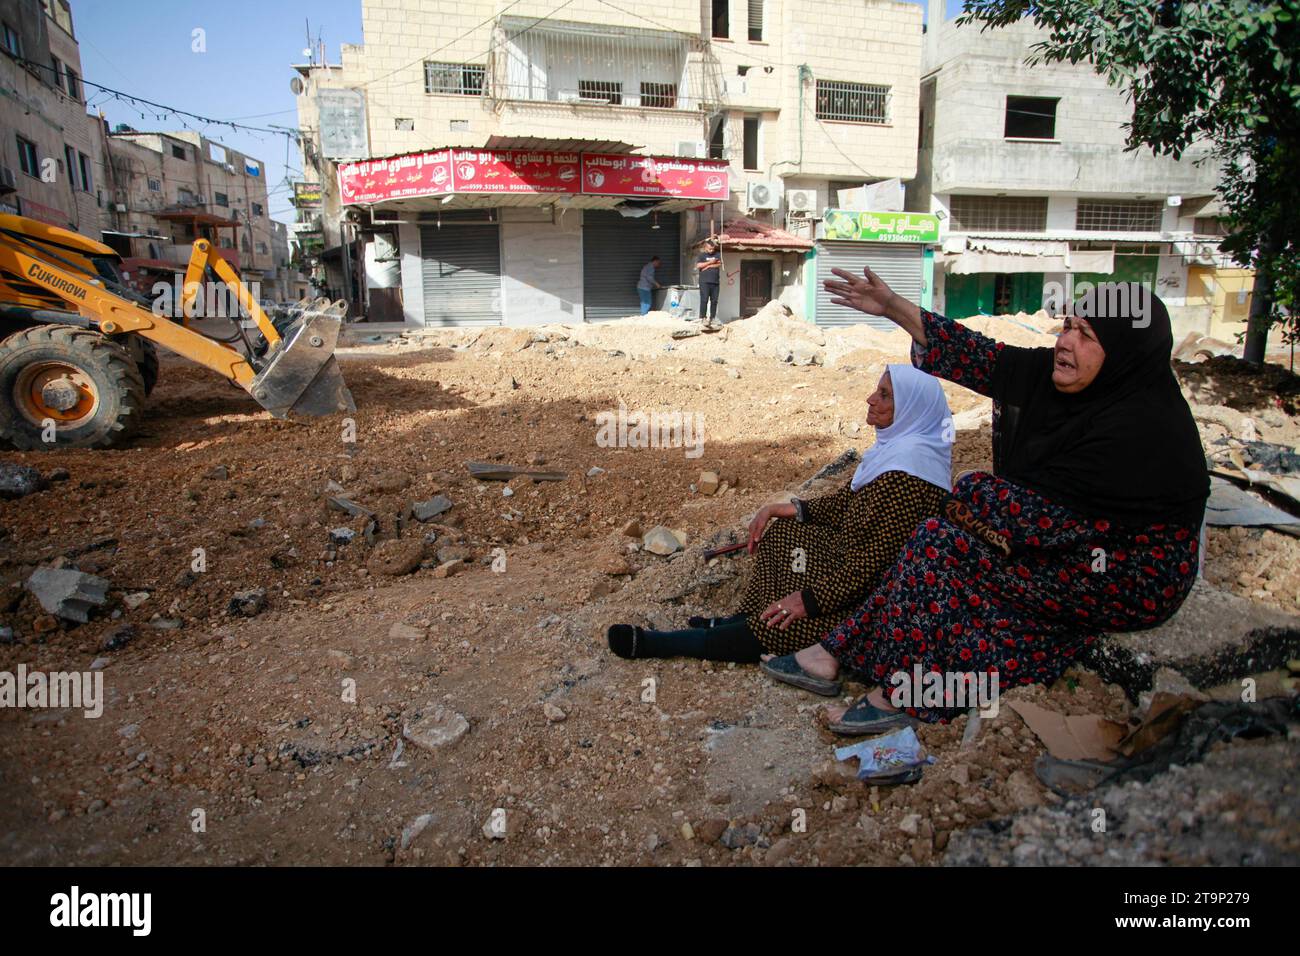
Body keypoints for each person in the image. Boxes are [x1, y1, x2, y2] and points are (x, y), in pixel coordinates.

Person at [763, 274, 1210, 735]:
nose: (1065, 342)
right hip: (1064, 535)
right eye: (1068, 326)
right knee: (940, 534)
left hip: (1122, 571)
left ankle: (908, 691)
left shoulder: (1141, 427)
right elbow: (984, 358)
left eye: (1086, 335)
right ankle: (835, 653)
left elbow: (1028, 518)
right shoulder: (1076, 382)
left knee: (946, 546)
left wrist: (967, 489)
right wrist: (893, 304)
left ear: (1124, 354)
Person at [606, 364, 954, 665]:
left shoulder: (906, 479)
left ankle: (667, 644)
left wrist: (806, 601)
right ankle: (746, 620)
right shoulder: (898, 452)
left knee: (787, 624)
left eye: (885, 395)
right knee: (785, 533)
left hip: (869, 602)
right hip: (847, 561)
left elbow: (869, 569)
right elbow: (847, 503)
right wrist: (783, 508)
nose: (870, 399)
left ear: (911, 410)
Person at [695, 239, 722, 327]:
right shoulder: (702, 255)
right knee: (704, 299)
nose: (711, 251)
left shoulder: (717, 254)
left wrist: (709, 266)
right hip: (704, 282)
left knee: (714, 300)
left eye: (713, 249)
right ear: (706, 248)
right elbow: (698, 265)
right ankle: (703, 317)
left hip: (715, 282)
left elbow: (719, 264)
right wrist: (710, 262)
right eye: (710, 249)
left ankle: (712, 318)